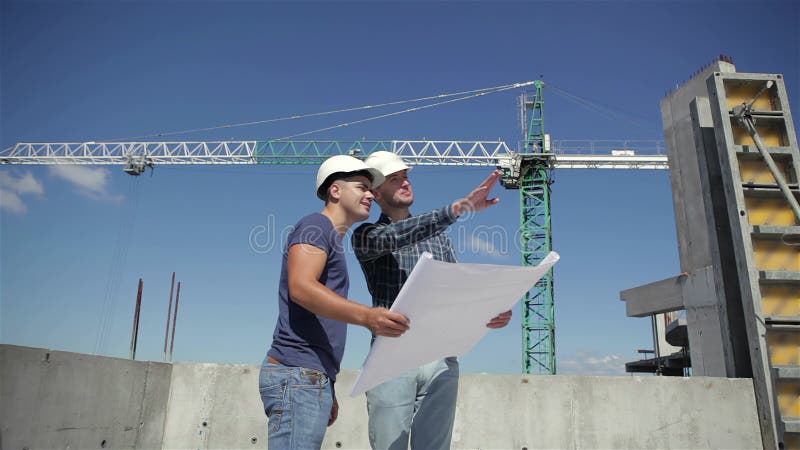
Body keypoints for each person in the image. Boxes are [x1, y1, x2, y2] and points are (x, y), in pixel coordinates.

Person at [352, 151, 513, 450]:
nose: (405, 183)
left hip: (441, 358)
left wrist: (490, 311)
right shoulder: (366, 235)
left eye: (406, 176)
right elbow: (395, 236)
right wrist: (456, 210)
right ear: (375, 193)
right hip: (391, 358)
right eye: (394, 179)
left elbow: (456, 292)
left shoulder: (439, 237)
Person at [259, 155, 411, 450]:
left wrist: (326, 382)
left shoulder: (329, 236)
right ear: (335, 191)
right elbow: (301, 288)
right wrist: (368, 316)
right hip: (296, 374)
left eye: (371, 189)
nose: (370, 194)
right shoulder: (316, 225)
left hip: (308, 376)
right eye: (362, 186)